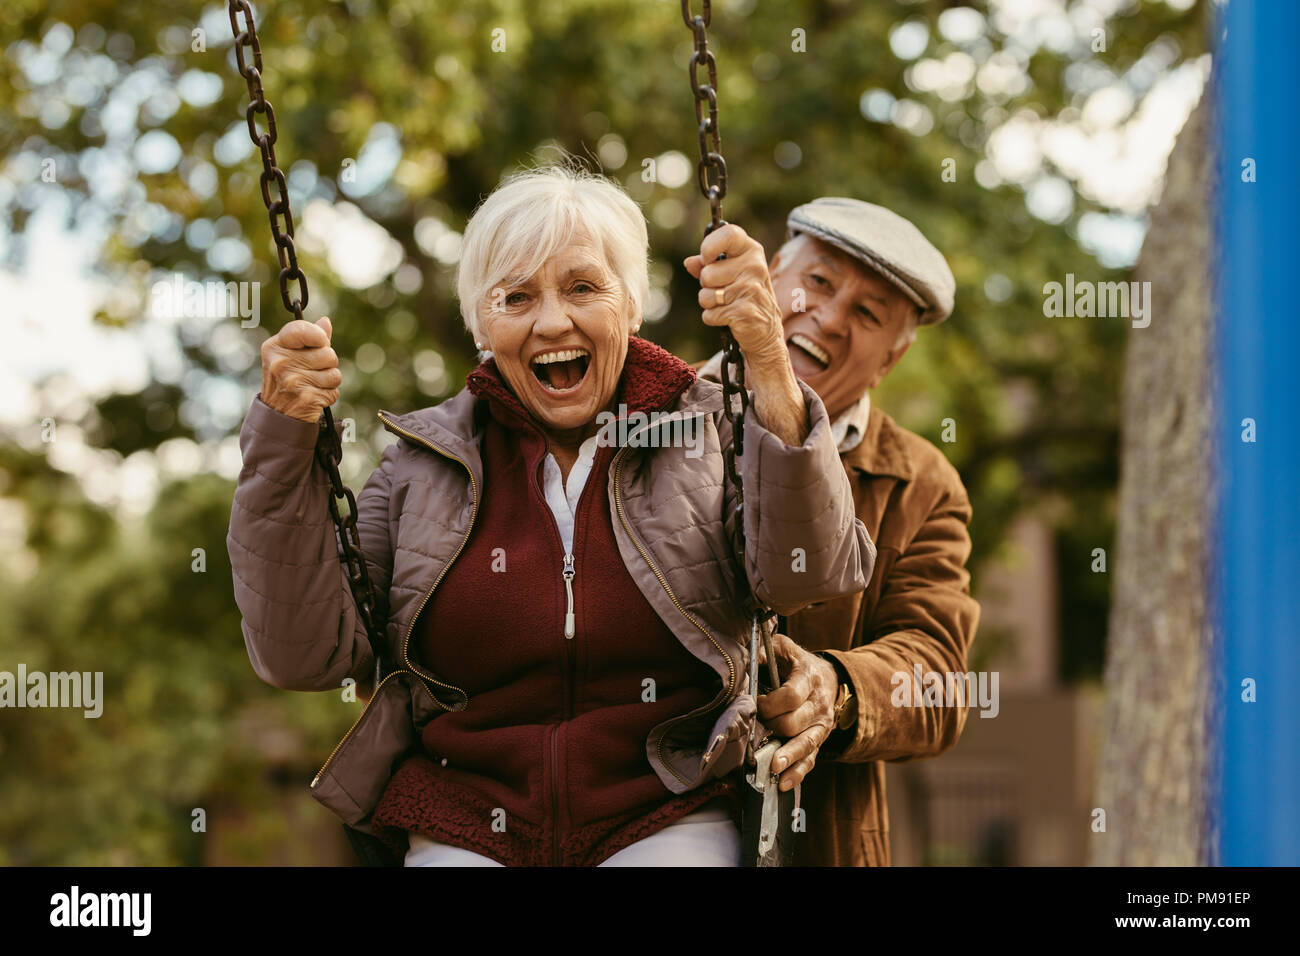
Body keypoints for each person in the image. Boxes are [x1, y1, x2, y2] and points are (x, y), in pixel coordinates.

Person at [226, 165, 875, 866]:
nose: (552, 321)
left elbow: (811, 574)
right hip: (464, 817)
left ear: (630, 304)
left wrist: (769, 364)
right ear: (482, 323)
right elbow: (305, 655)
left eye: (583, 288)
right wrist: (284, 441)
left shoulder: (706, 430)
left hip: (667, 808)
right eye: (516, 296)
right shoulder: (419, 465)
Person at [690, 197, 981, 866]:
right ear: (771, 275)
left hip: (814, 842)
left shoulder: (922, 485)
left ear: (893, 357)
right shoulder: (645, 413)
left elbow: (938, 677)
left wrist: (839, 688)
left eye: (868, 313)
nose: (828, 316)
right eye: (818, 282)